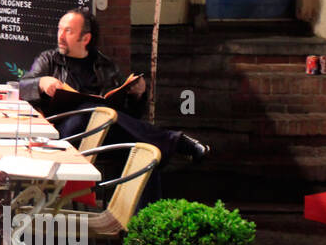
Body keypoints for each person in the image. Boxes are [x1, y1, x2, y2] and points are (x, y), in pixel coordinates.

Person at [19, 10, 210, 164]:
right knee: (91, 110)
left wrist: (138, 95)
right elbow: (21, 87)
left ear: (85, 39)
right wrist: (41, 83)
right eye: (60, 29)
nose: (60, 36)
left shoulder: (105, 66)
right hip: (62, 133)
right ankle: (176, 141)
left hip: (104, 137)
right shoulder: (49, 60)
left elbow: (129, 117)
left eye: (68, 31)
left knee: (146, 155)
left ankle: (143, 211)